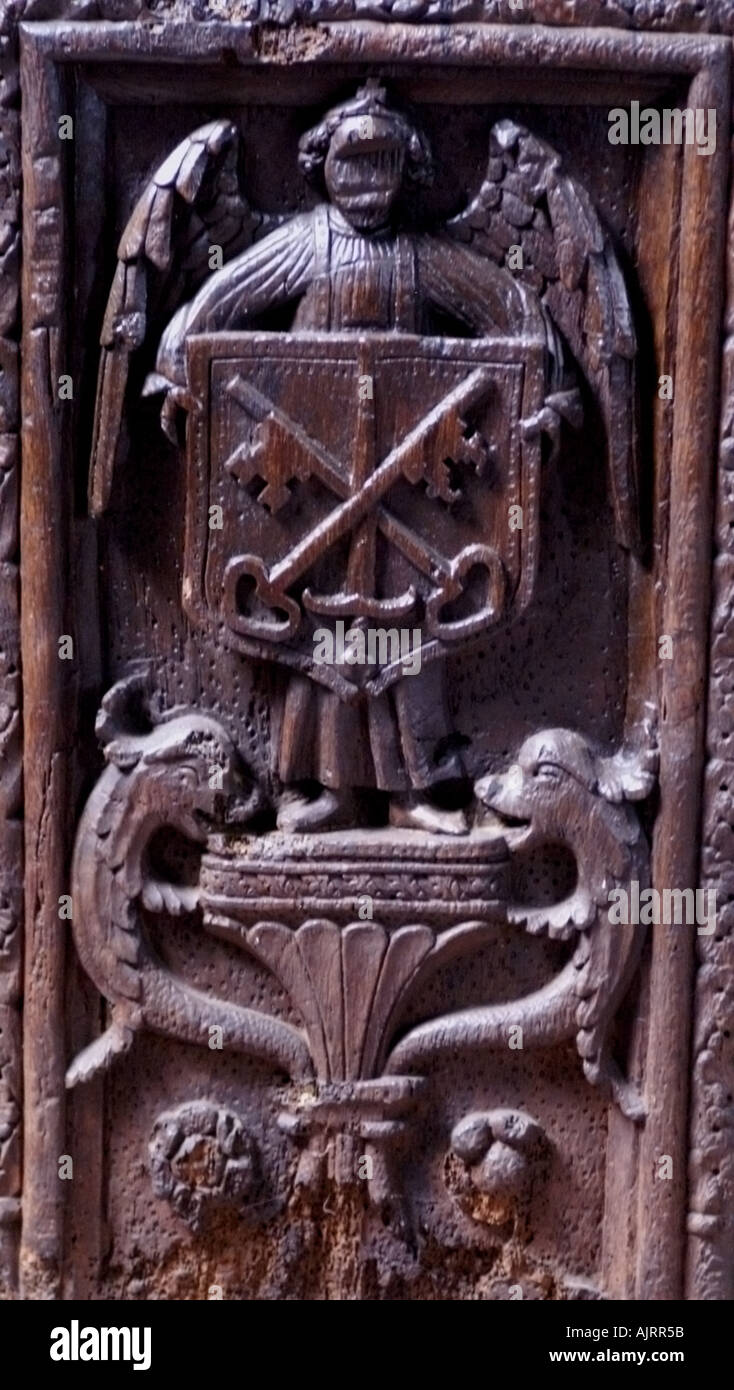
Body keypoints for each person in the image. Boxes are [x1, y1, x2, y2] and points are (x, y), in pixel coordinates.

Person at [153, 82, 554, 833]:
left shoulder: (426, 258)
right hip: (310, 494)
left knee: (412, 640)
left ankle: (415, 792)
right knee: (319, 643)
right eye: (353, 161)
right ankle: (320, 786)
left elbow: (516, 313)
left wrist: (547, 397)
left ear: (409, 169)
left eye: (383, 162)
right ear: (322, 164)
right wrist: (176, 369)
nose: (368, 180)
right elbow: (212, 309)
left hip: (415, 497)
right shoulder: (304, 246)